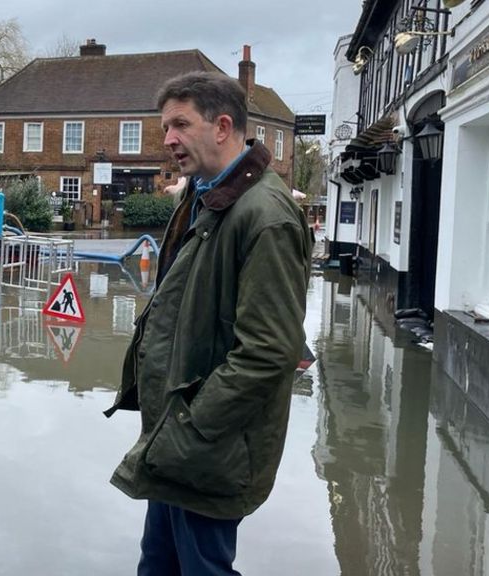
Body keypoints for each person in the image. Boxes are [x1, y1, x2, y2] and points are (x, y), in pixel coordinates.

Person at [105, 72, 311, 575]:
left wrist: (191, 426)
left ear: (222, 127)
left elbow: (267, 354)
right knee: (159, 565)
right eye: (165, 127)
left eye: (180, 124)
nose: (168, 138)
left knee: (202, 568)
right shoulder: (203, 196)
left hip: (207, 443)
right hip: (177, 435)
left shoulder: (265, 216)